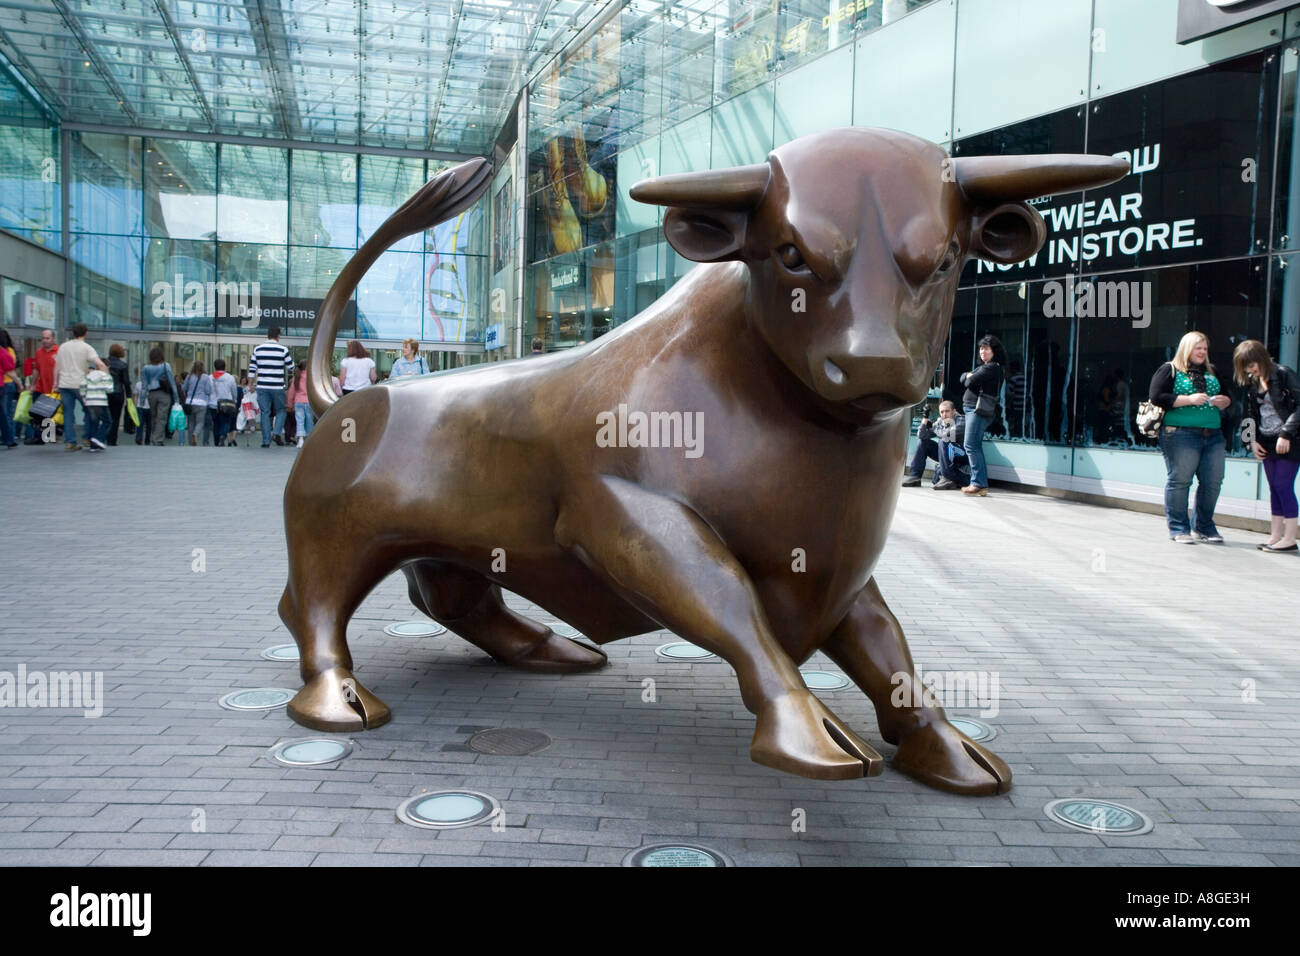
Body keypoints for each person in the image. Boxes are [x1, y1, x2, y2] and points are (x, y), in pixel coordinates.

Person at [1147, 331, 1231, 544]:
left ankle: (1203, 526)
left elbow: (1229, 396)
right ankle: (1178, 528)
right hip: (1180, 434)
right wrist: (1189, 399)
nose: (1202, 352)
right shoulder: (1170, 369)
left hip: (1213, 435)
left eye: (1204, 348)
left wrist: (1224, 401)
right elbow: (1156, 396)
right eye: (1198, 348)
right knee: (1180, 481)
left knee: (1213, 482)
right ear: (1186, 349)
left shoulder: (1213, 371)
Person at [1234, 340, 1300, 553]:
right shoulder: (1253, 383)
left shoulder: (1283, 373)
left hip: (1289, 439)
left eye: (1252, 364)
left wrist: (1286, 433)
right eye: (1245, 366)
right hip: (1266, 440)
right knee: (1273, 487)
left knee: (1283, 485)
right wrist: (1252, 441)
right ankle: (1275, 536)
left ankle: (1290, 538)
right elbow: (1250, 415)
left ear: (1261, 357)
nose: (1249, 369)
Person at [959, 334, 1005, 497]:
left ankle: (978, 483)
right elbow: (963, 377)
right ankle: (980, 484)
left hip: (977, 411)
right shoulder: (985, 367)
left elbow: (968, 381)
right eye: (981, 348)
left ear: (994, 350)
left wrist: (969, 376)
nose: (982, 351)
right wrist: (968, 376)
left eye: (986, 348)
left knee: (970, 445)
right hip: (972, 411)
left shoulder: (992, 367)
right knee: (974, 445)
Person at [53, 322, 108, 452]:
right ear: (86, 333)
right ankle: (87, 438)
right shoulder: (87, 348)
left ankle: (70, 442)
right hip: (80, 384)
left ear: (73, 333)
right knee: (90, 411)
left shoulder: (63, 347)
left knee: (68, 413)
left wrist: (55, 383)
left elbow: (57, 366)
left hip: (64, 384)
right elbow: (99, 364)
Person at [903, 401, 968, 489]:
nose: (944, 414)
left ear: (954, 411)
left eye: (947, 411)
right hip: (947, 454)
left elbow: (948, 435)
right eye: (942, 412)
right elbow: (922, 436)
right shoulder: (940, 422)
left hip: (961, 454)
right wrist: (925, 419)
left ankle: (948, 478)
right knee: (923, 443)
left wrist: (933, 427)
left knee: (943, 440)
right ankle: (915, 477)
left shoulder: (961, 420)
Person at [249, 326, 293, 447]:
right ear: (278, 336)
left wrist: (250, 384)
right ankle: (276, 433)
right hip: (278, 386)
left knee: (265, 413)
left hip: (262, 386)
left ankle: (266, 441)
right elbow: (291, 367)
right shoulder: (283, 350)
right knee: (281, 411)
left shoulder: (257, 350)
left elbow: (252, 369)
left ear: (267, 335)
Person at [23, 328, 58, 444]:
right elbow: (36, 370)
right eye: (43, 338)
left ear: (53, 339)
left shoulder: (59, 351)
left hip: (53, 388)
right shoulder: (39, 352)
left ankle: (49, 437)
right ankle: (39, 438)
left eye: (47, 338)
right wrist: (32, 385)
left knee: (50, 414)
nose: (44, 340)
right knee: (38, 413)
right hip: (40, 386)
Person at [140, 346, 180, 446]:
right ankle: (158, 439)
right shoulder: (166, 366)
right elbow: (172, 382)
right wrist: (176, 398)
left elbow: (144, 386)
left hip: (151, 394)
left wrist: (141, 401)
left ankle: (154, 436)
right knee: (162, 417)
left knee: (153, 416)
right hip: (164, 394)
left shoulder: (146, 368)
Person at [80, 364, 112, 451]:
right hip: (101, 401)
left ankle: (93, 446)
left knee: (94, 422)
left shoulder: (89, 376)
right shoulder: (106, 376)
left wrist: (84, 398)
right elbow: (109, 389)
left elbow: (82, 385)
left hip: (90, 401)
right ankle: (98, 439)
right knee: (107, 421)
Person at [105, 344, 131, 446]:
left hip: (106, 393)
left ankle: (103, 436)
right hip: (118, 393)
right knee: (116, 417)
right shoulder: (123, 365)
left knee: (106, 416)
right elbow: (126, 382)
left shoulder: (104, 363)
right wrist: (129, 397)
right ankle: (112, 440)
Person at [211, 358, 239, 448]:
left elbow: (207, 390)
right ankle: (222, 436)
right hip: (226, 404)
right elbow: (234, 390)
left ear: (214, 366)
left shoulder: (210, 377)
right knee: (226, 422)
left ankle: (216, 441)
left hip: (213, 404)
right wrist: (234, 400)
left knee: (216, 423)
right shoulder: (229, 377)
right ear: (224, 366)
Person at [285, 361, 314, 448]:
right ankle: (309, 439)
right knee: (309, 421)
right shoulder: (311, 377)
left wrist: (290, 403)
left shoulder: (296, 378)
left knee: (300, 421)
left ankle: (300, 439)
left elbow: (291, 392)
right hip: (309, 402)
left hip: (298, 402)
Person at [0, 328, 18, 448]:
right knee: (4, 413)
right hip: (4, 384)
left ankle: (8, 438)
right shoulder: (5, 351)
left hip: (5, 384)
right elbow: (10, 367)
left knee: (4, 413)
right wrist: (19, 384)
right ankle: (8, 439)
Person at [133, 370, 151, 446]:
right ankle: (146, 440)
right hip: (147, 406)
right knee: (148, 424)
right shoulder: (151, 385)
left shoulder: (138, 384)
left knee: (141, 424)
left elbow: (136, 396)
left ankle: (139, 439)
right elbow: (136, 396)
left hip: (141, 406)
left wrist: (135, 405)